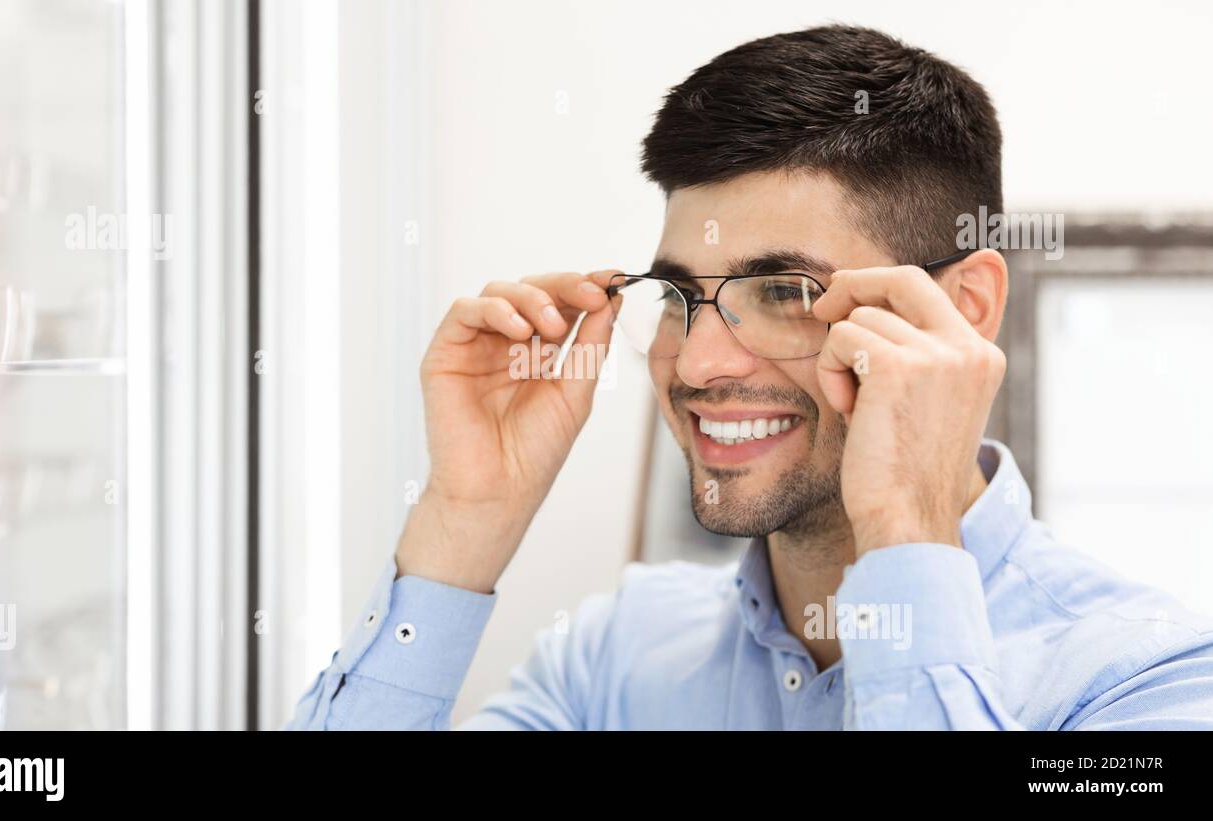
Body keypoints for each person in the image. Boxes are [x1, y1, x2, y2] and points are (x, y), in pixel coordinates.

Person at [288, 25, 1213, 730]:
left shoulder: (1147, 681)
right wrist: (463, 521)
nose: (697, 363)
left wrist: (906, 528)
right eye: (678, 296)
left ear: (964, 308)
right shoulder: (612, 661)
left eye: (784, 291)